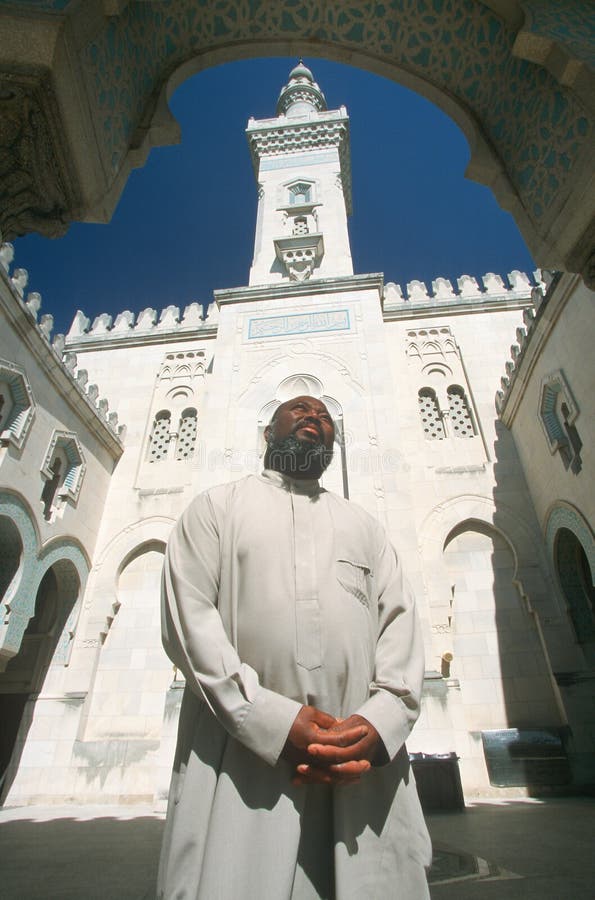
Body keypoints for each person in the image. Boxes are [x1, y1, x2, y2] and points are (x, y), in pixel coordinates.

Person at [157, 395, 431, 899]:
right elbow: (188, 620)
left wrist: (380, 722)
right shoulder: (216, 509)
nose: (314, 418)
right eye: (299, 410)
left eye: (325, 416)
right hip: (240, 761)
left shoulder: (364, 527)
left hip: (359, 766)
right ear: (268, 432)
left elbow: (401, 624)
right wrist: (268, 719)